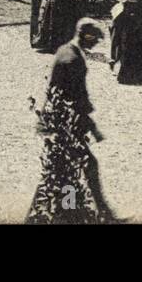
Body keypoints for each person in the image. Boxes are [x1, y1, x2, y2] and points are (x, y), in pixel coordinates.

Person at [27, 19, 118, 224]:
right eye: (94, 39)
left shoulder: (66, 50)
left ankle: (54, 212)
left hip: (59, 116)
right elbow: (77, 96)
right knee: (81, 165)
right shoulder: (73, 59)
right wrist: (91, 127)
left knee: (60, 168)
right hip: (65, 119)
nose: (95, 44)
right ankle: (97, 212)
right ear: (85, 36)